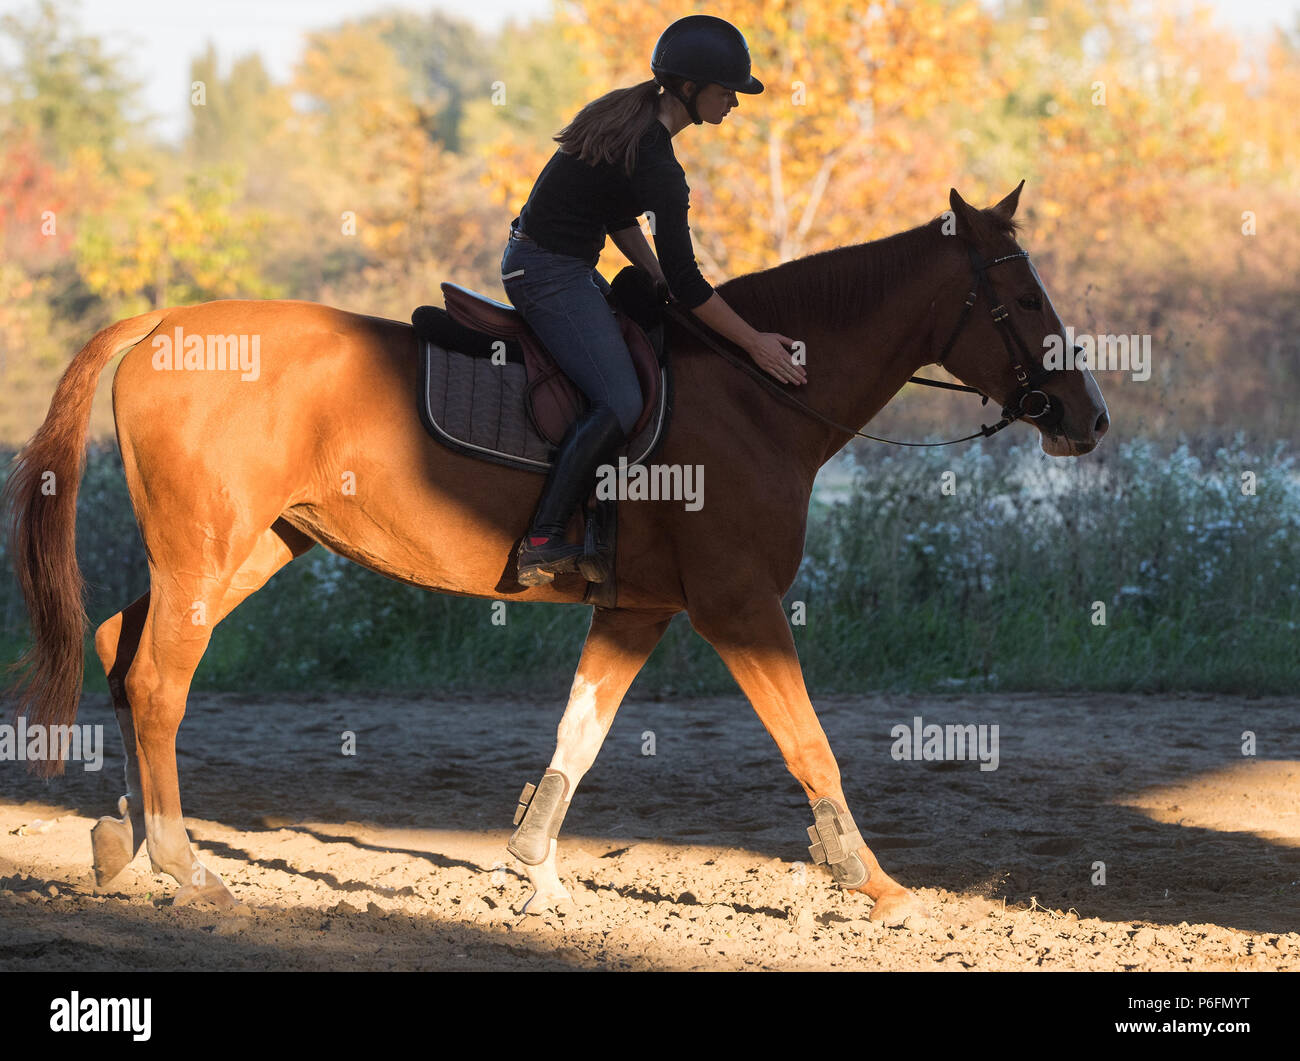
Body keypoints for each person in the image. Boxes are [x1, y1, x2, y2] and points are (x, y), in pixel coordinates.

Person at [502, 14, 805, 587]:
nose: (734, 104)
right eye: (726, 92)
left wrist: (655, 276)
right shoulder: (658, 164)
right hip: (547, 272)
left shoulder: (633, 120)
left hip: (552, 260)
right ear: (689, 90)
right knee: (619, 398)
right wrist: (755, 344)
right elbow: (691, 286)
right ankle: (543, 538)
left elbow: (617, 216)